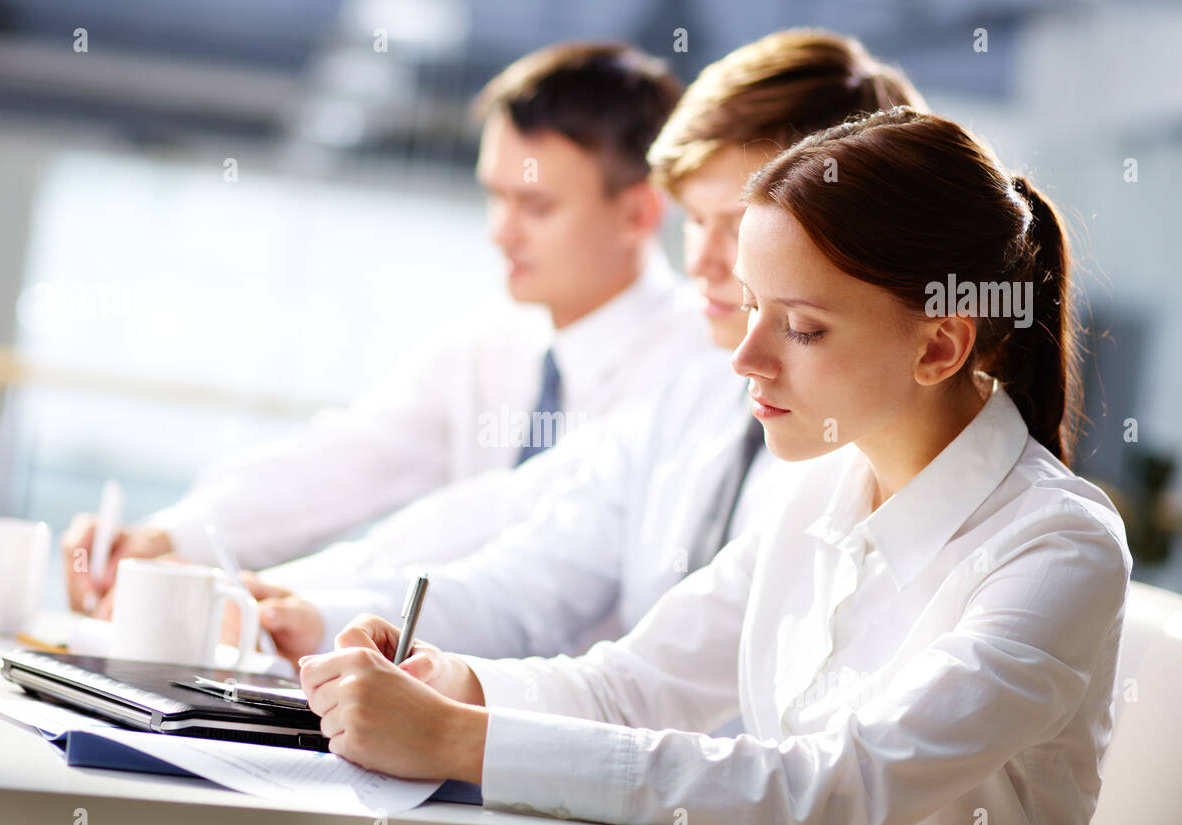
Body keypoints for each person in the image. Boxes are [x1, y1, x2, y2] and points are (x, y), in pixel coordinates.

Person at [293, 107, 1133, 825]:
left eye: (801, 327)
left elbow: (831, 791)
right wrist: (451, 686)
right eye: (749, 306)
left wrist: (462, 744)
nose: (745, 356)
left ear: (940, 347)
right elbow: (632, 688)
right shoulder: (823, 493)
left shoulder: (1056, 547)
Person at [246, 30, 929, 670]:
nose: (709, 260)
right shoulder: (695, 394)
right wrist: (311, 614)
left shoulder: (870, 454)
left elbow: (688, 701)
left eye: (744, 226)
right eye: (695, 221)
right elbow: (529, 576)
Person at [60, 41, 705, 617]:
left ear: (639, 212)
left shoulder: (695, 363)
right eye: (494, 196)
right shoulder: (492, 344)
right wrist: (171, 538)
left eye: (535, 205)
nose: (500, 232)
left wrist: (285, 597)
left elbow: (505, 523)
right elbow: (346, 458)